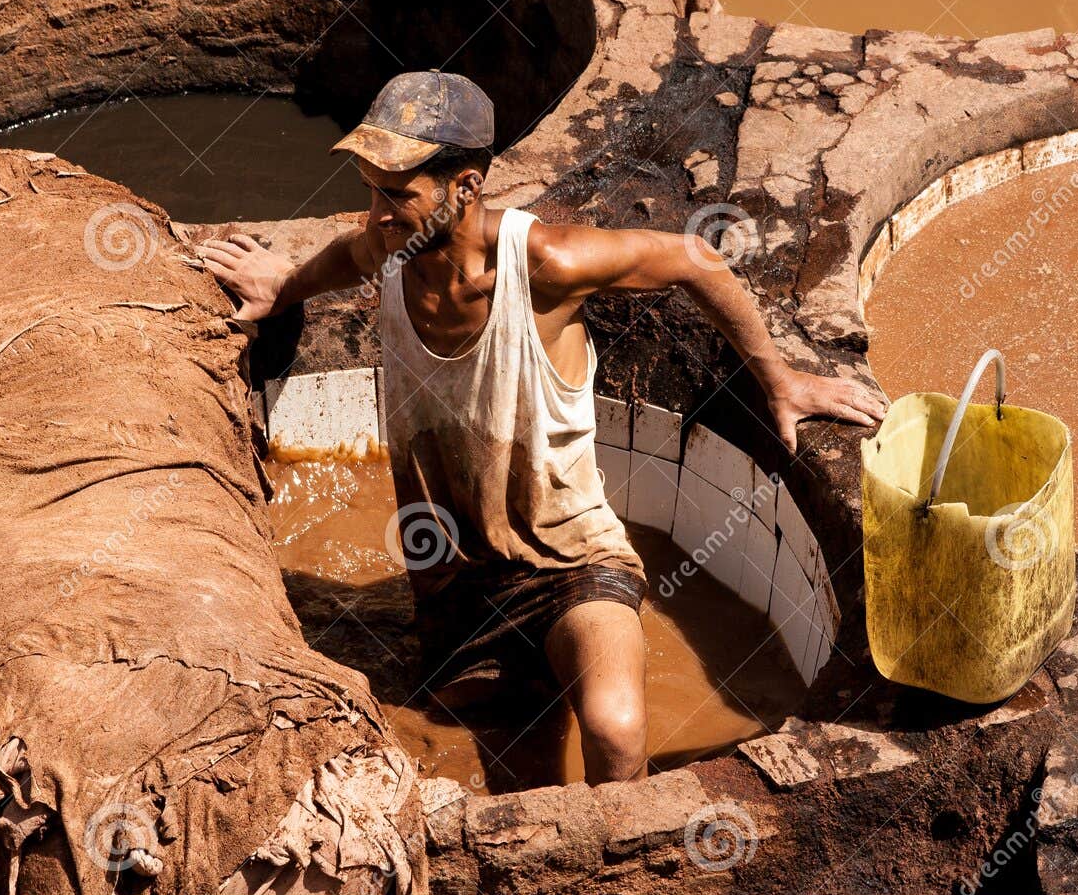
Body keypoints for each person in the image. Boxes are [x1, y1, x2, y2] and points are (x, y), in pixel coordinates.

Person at [199, 71, 886, 784]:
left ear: (465, 188)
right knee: (455, 757)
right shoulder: (390, 247)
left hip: (573, 566)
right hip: (456, 588)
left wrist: (781, 380)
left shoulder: (545, 266)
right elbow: (347, 255)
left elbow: (694, 256)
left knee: (616, 732)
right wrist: (285, 285)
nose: (375, 213)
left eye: (397, 193)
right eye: (370, 190)